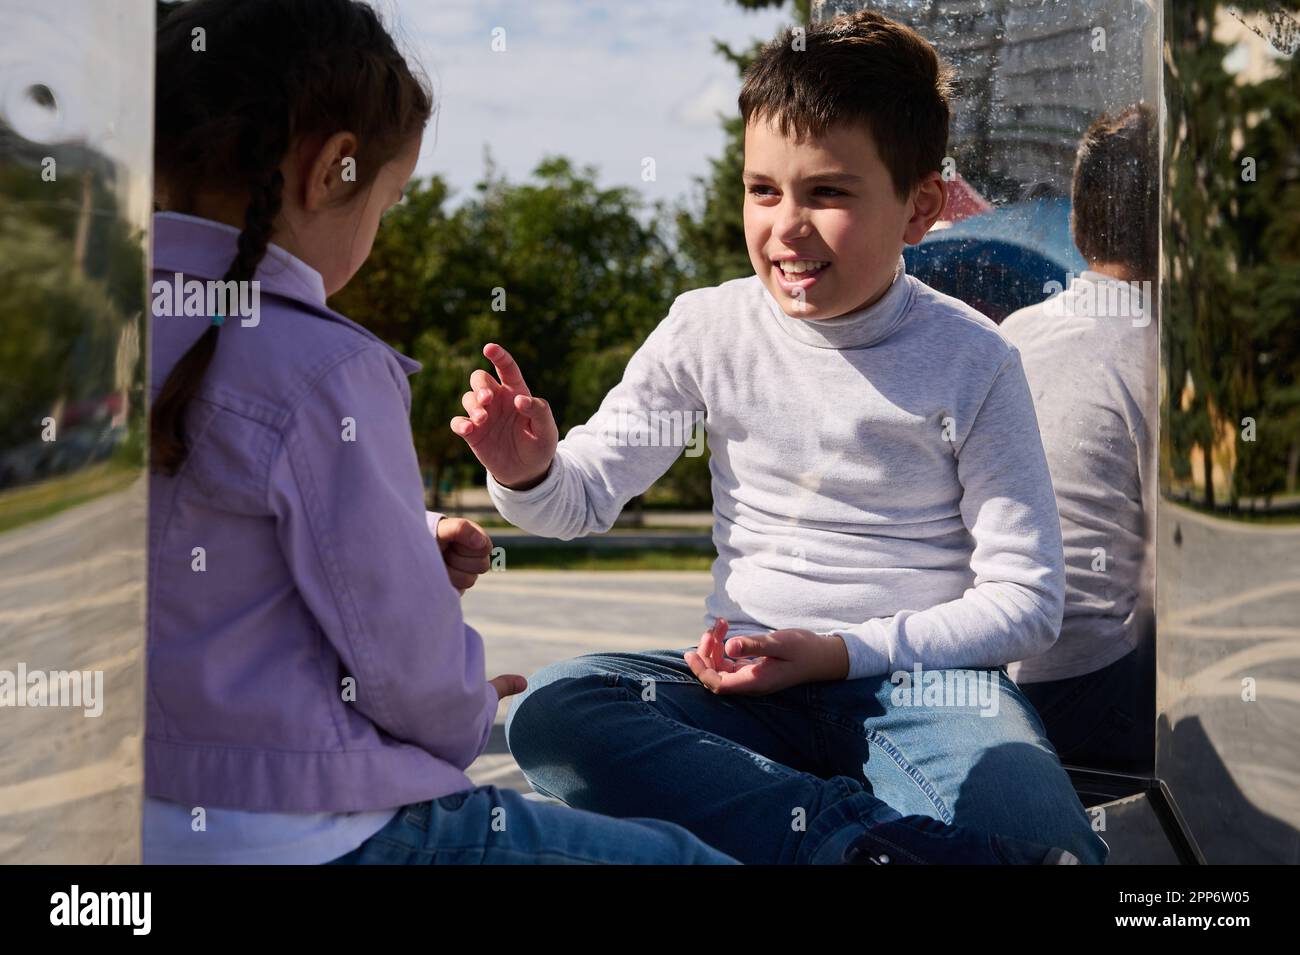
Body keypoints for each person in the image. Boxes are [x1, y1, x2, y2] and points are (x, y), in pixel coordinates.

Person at [454, 11, 1107, 865]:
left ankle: (812, 831)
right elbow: (580, 496)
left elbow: (1026, 600)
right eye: (763, 190)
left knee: (1046, 846)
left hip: (926, 688)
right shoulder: (707, 329)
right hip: (741, 683)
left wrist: (840, 653)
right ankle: (858, 845)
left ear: (920, 208)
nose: (786, 227)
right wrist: (529, 467)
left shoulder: (976, 357)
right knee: (556, 708)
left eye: (827, 193)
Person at [143, 0, 737, 865]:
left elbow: (206, 534)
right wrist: (464, 710)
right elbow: (403, 661)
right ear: (332, 172)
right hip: (318, 827)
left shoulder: (85, 336)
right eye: (389, 201)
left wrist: (410, 535)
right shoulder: (323, 366)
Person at [1000, 106, 1160, 773]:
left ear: (1075, 220)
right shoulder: (1157, 351)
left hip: (1001, 673)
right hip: (1094, 683)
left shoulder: (1012, 331)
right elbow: (1167, 570)